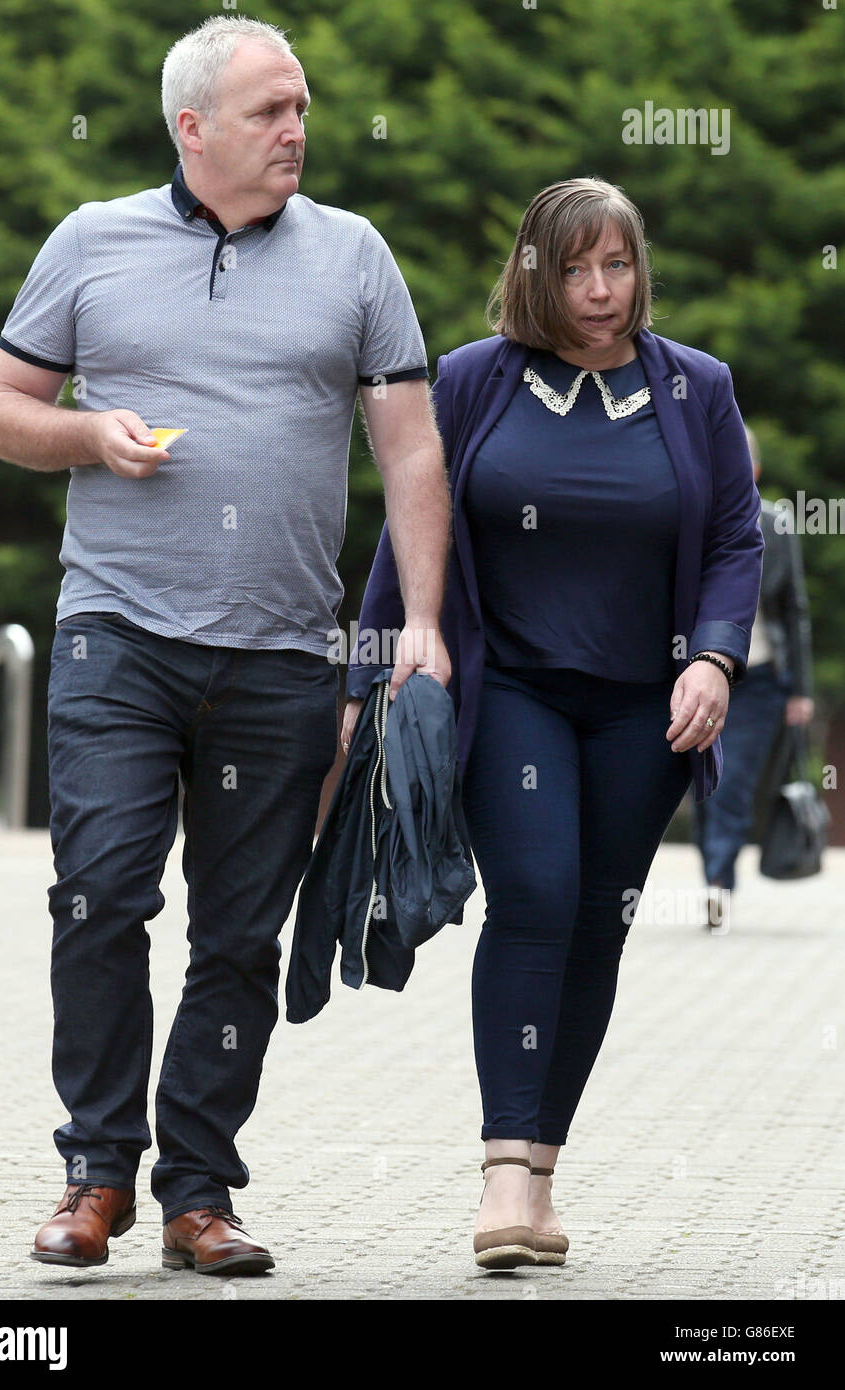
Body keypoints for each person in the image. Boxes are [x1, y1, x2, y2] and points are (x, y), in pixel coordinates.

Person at [0, 14, 452, 1275]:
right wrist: (90, 435)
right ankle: (93, 1174)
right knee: (101, 894)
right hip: (116, 636)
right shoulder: (90, 240)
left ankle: (197, 1192)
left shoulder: (353, 255)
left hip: (284, 653)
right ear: (192, 128)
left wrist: (420, 625)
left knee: (239, 934)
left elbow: (408, 447)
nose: (297, 128)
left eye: (301, 107)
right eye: (268, 111)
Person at [343, 178, 764, 1269]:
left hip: (648, 702)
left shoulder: (694, 388)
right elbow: (412, 520)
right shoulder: (478, 380)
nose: (596, 290)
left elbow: (731, 536)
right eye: (572, 268)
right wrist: (369, 668)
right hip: (512, 685)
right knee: (532, 895)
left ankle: (540, 1171)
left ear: (638, 269)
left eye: (614, 266)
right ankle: (498, 1173)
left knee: (595, 920)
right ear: (533, 272)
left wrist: (715, 656)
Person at [694, 425, 814, 929]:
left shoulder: (777, 524)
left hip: (761, 681)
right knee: (701, 783)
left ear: (756, 470)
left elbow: (795, 612)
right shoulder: (694, 520)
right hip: (698, 677)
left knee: (734, 781)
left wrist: (802, 690)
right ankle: (713, 873)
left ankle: (720, 882)